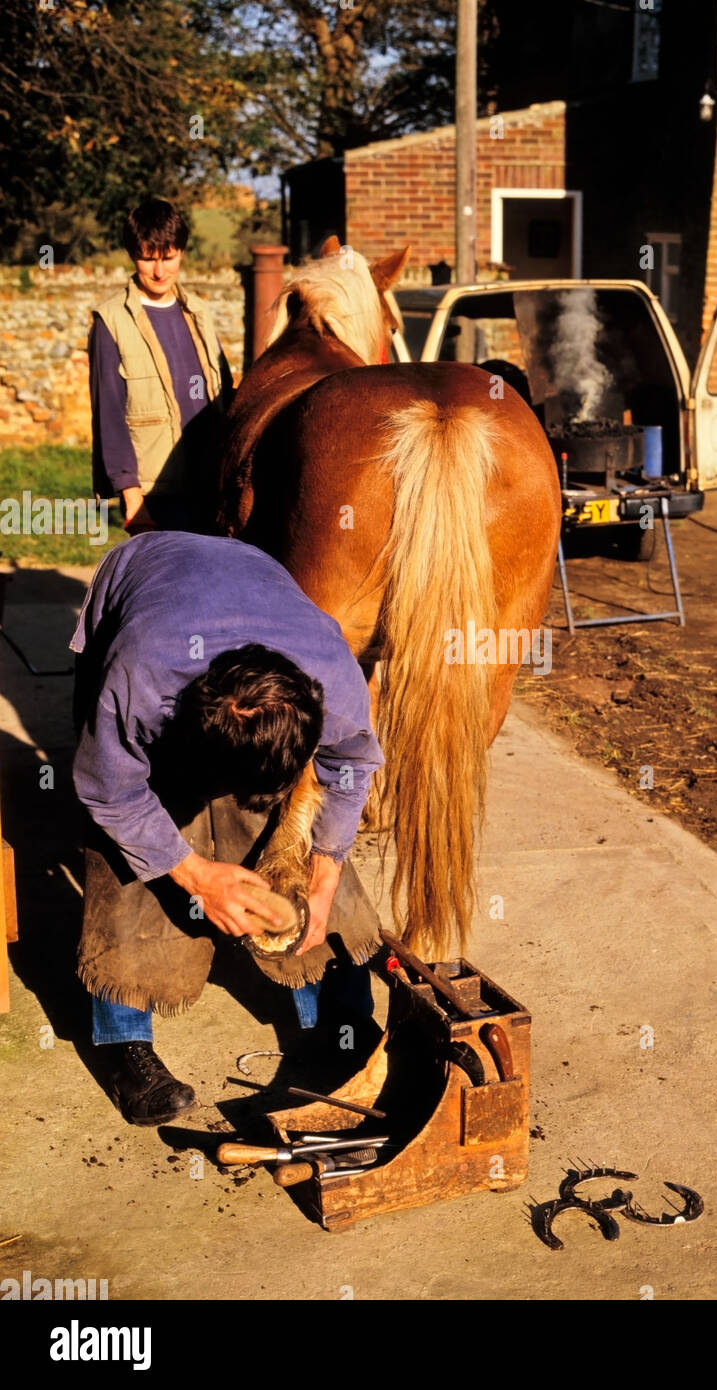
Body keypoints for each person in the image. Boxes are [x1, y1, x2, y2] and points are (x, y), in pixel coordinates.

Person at [71, 531, 385, 1125]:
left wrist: (324, 874)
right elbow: (106, 788)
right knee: (124, 845)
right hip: (141, 576)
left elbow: (350, 767)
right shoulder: (138, 678)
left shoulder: (331, 675)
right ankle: (121, 1040)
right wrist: (192, 874)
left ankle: (338, 1020)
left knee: (293, 834)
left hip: (249, 571)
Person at [88, 197, 233, 534]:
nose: (159, 271)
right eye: (147, 259)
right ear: (132, 255)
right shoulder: (109, 322)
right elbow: (109, 412)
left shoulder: (199, 312)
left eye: (168, 258)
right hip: (155, 494)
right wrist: (131, 495)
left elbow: (225, 392)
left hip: (211, 483)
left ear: (181, 252)